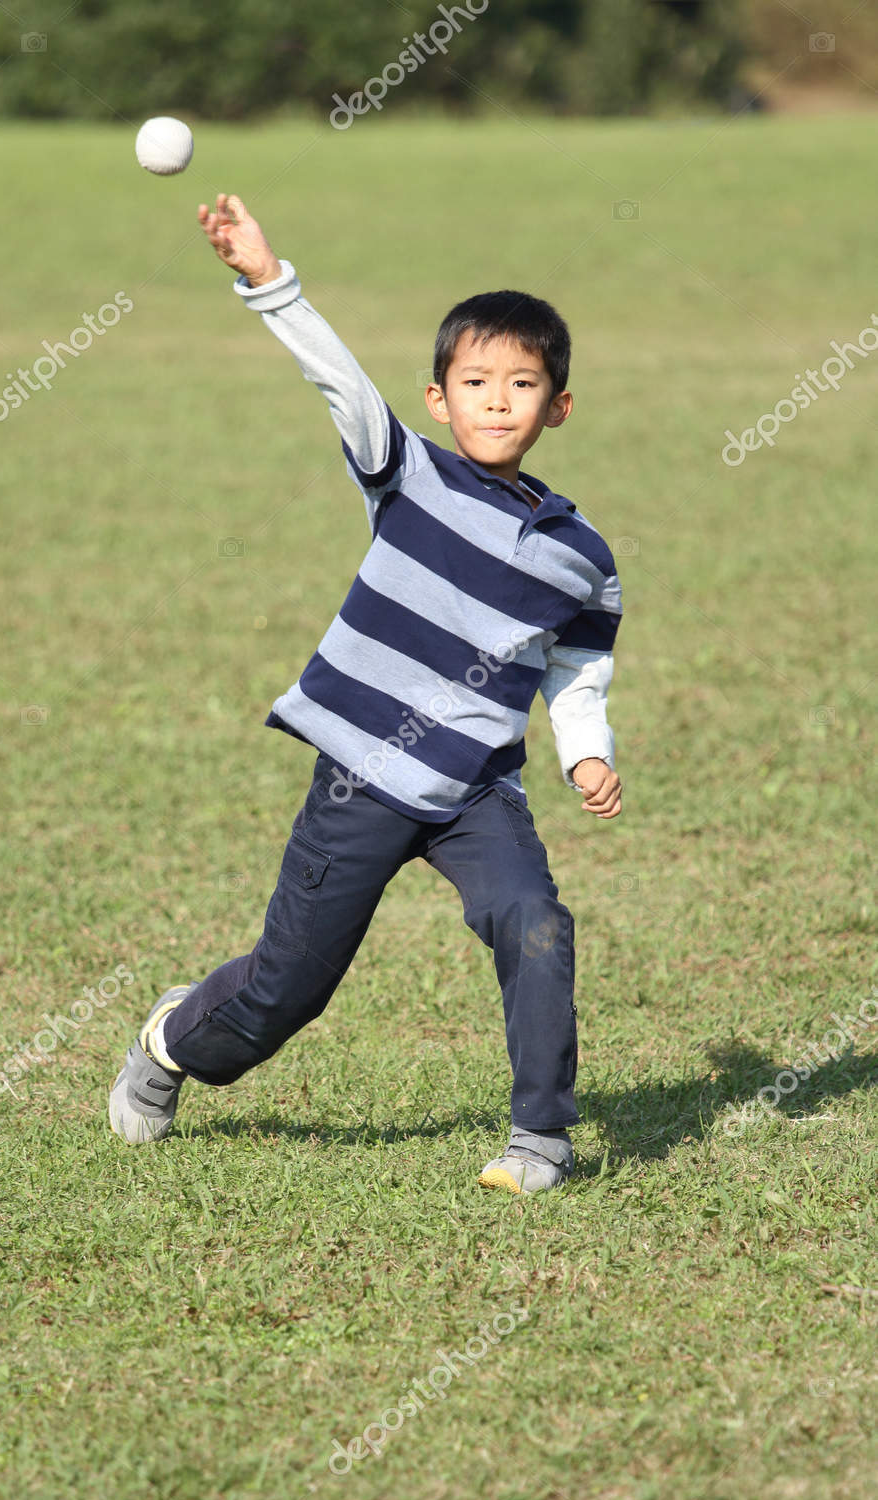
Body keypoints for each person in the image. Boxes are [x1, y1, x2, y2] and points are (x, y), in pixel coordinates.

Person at [109, 193, 623, 1194]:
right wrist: (267, 276)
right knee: (279, 995)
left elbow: (576, 668)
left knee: (536, 924)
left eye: (521, 383)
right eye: (474, 380)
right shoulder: (405, 477)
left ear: (555, 406)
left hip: (475, 790)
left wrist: (584, 749)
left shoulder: (580, 558)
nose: (496, 399)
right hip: (362, 778)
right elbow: (335, 378)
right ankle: (174, 1040)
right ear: (437, 398)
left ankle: (539, 1139)